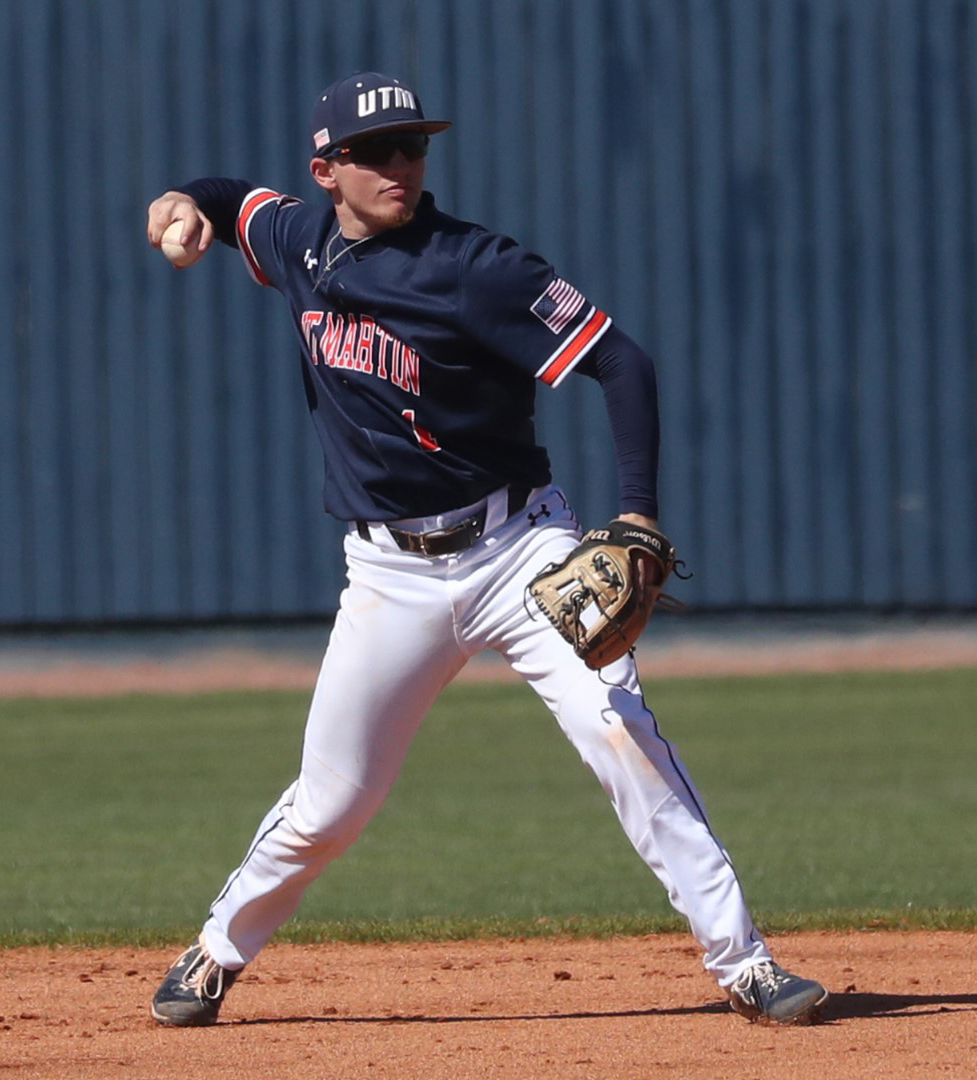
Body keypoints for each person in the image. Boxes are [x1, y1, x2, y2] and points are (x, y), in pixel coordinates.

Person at [141, 72, 827, 1026]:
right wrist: (183, 200)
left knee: (617, 728)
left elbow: (623, 363)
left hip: (518, 550)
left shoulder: (476, 266)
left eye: (413, 145)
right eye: (376, 151)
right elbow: (232, 203)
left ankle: (744, 961)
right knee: (331, 805)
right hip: (387, 574)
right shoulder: (299, 241)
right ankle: (217, 951)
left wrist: (636, 517)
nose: (400, 165)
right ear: (325, 171)